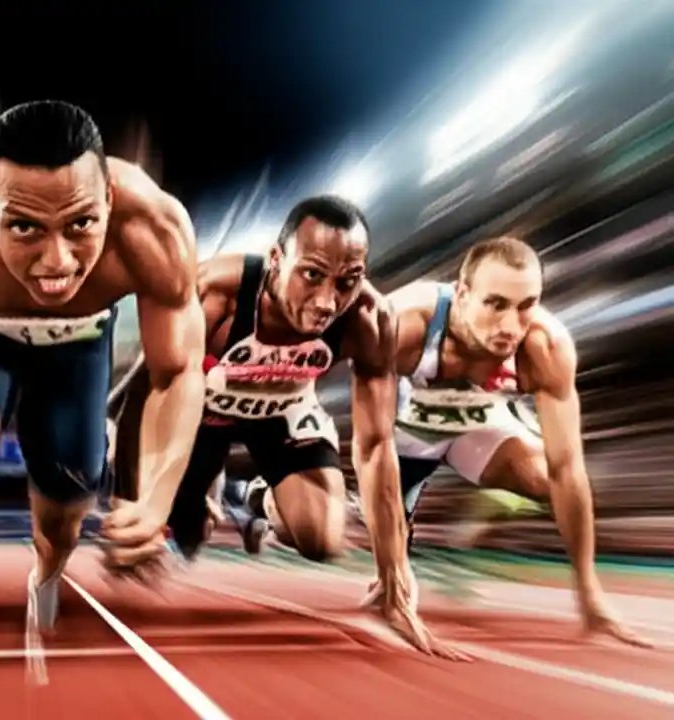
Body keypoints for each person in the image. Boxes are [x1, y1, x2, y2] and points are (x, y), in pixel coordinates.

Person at [0, 47, 206, 633]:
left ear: (110, 199)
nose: (56, 263)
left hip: (78, 343)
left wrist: (156, 500)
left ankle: (47, 574)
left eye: (81, 224)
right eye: (25, 227)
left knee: (63, 518)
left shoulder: (153, 232)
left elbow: (178, 372)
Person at [112, 196, 461, 658]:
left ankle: (253, 496)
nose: (326, 302)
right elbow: (152, 388)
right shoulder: (214, 291)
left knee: (320, 539)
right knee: (187, 534)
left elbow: (376, 447)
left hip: (283, 411)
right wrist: (136, 499)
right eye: (312, 275)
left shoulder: (370, 320)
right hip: (199, 411)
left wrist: (396, 577)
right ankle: (212, 495)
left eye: (347, 282)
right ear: (277, 261)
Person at [377, 235, 650, 647]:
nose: (511, 326)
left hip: (475, 422)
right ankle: (258, 498)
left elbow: (567, 469)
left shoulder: (546, 346)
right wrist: (393, 568)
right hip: (406, 427)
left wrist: (590, 596)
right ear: (463, 293)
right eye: (496, 304)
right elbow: (371, 446)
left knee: (544, 476)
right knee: (311, 531)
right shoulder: (404, 320)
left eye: (526, 306)